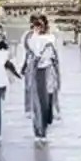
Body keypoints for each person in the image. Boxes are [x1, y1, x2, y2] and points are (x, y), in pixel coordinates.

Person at [21, 14, 61, 143]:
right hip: (44, 69)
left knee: (40, 100)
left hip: (40, 70)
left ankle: (40, 128)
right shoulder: (48, 38)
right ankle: (41, 129)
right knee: (41, 100)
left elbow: (30, 53)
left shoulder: (34, 38)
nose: (37, 28)